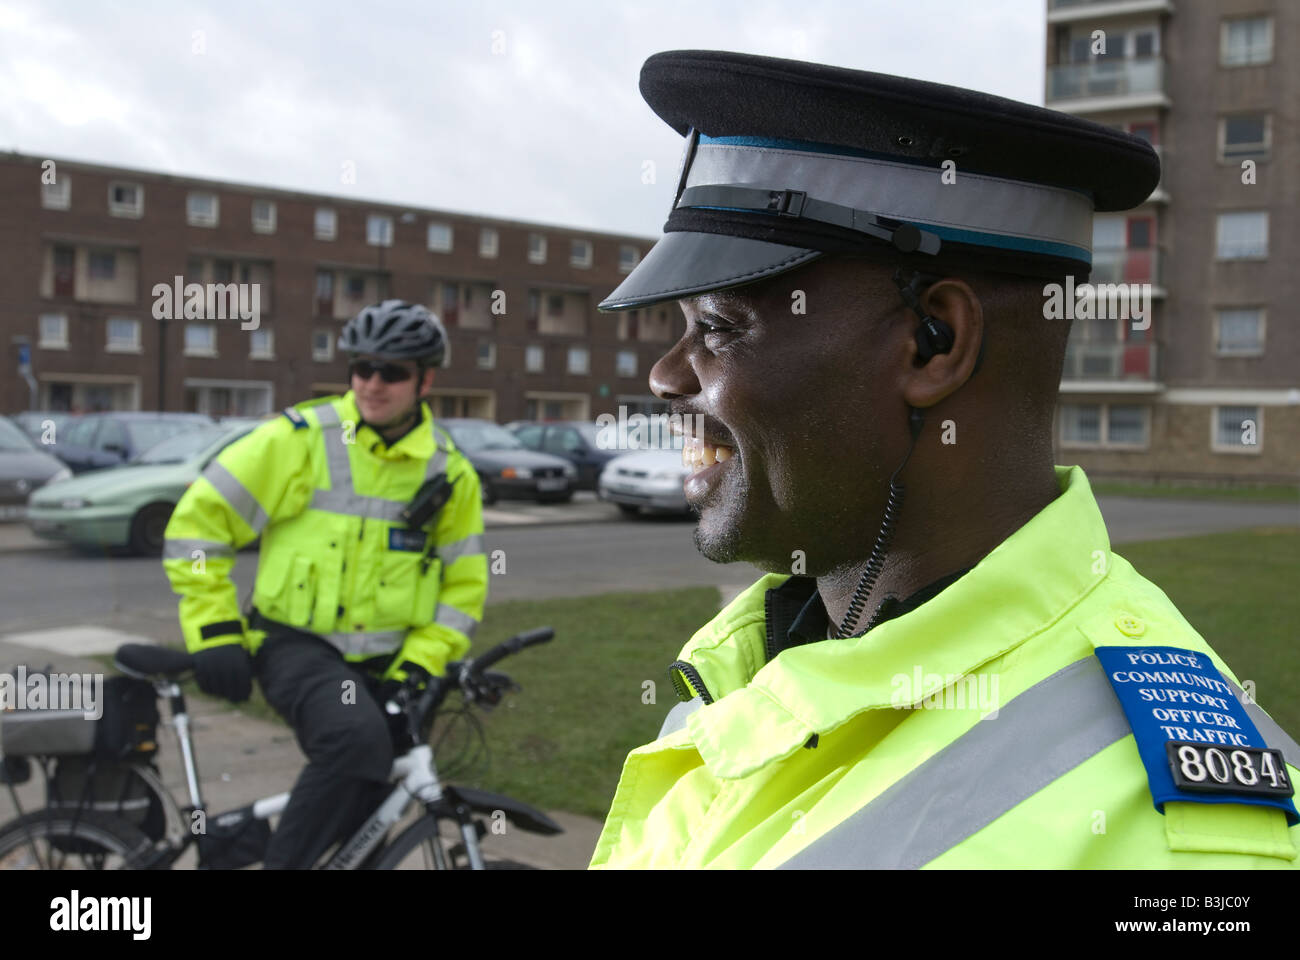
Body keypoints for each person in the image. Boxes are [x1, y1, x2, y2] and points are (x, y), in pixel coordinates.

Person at [589, 50, 1299, 869]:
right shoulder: (758, 651)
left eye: (716, 326)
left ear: (937, 343)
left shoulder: (1184, 846)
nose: (665, 374)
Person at [162, 299, 487, 868]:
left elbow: (463, 588)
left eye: (392, 372)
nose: (372, 383)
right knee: (355, 741)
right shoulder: (298, 440)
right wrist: (213, 627)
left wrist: (419, 665)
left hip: (390, 663)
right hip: (295, 645)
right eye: (362, 367)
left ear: (426, 379)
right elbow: (196, 527)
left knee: (374, 817)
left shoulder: (449, 471)